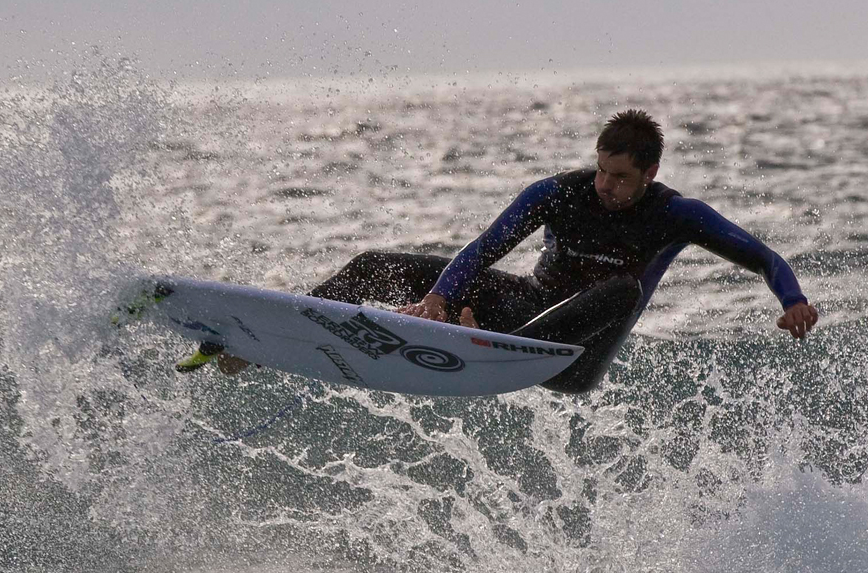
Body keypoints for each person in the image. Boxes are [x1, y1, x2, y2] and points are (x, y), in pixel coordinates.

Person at [183, 109, 818, 392]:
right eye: (601, 171)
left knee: (622, 289)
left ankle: (481, 332)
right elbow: (484, 247)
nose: (606, 185)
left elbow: (762, 256)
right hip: (526, 311)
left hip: (572, 357)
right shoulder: (558, 195)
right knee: (376, 264)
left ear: (650, 173)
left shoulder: (678, 215)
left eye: (620, 177)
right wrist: (440, 295)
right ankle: (255, 351)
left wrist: (791, 301)